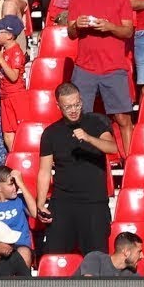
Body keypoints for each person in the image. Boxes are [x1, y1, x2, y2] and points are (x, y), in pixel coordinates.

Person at [37, 83, 118, 255]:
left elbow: (112, 147)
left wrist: (89, 138)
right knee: (54, 256)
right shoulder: (51, 133)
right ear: (58, 106)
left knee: (96, 259)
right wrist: (40, 204)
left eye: (76, 104)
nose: (73, 110)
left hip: (94, 203)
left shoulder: (96, 123)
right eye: (68, 107)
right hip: (63, 202)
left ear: (81, 101)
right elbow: (44, 171)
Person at [68, 0, 136, 153]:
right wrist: (77, 26)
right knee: (79, 117)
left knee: (123, 117)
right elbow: (71, 33)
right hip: (85, 67)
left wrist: (109, 27)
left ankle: (129, 161)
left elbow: (128, 30)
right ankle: (81, 160)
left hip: (113, 67)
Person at [0, 14, 26, 152]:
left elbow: (14, 76)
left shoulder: (16, 52)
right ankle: (14, 157)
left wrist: (0, 60)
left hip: (16, 98)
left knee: (20, 132)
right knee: (7, 135)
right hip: (5, 97)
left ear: (9, 35)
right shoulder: (4, 50)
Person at [75, 230, 144, 277]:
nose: (142, 256)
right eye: (139, 251)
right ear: (126, 252)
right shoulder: (95, 258)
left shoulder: (131, 274)